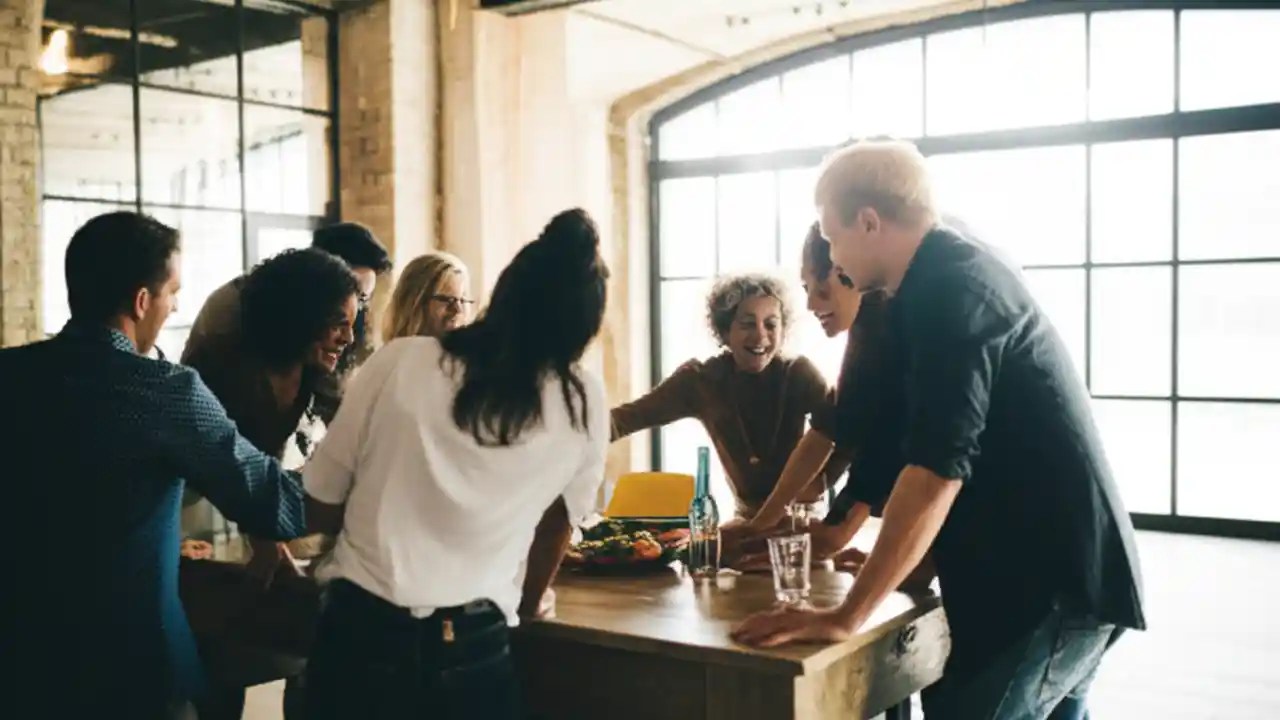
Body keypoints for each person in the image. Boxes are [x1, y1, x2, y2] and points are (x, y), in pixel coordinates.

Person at [732, 139, 1145, 720]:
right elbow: (911, 440)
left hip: (1049, 584)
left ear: (869, 222)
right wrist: (900, 562)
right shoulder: (935, 278)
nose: (832, 256)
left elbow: (936, 468)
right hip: (1064, 572)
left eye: (831, 237)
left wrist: (845, 616)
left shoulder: (952, 288)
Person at [300, 208, 611, 719]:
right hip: (473, 646)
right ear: (584, 323)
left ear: (503, 296)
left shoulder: (399, 361)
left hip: (360, 634)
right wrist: (530, 601)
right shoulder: (583, 399)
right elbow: (561, 520)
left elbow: (319, 504)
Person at [0, 211, 307, 719]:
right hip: (136, 675)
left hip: (21, 669)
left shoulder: (10, 376)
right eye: (173, 292)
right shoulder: (166, 391)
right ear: (143, 301)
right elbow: (277, 505)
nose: (176, 305)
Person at [180, 248, 362, 720]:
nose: (349, 336)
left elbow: (342, 442)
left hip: (243, 518)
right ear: (302, 315)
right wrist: (265, 537)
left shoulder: (314, 369)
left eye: (353, 322)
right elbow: (219, 466)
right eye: (338, 322)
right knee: (216, 667)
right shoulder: (225, 363)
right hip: (192, 520)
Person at [609, 272, 841, 528]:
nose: (760, 336)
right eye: (747, 324)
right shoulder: (699, 380)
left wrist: (818, 484)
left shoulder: (798, 373)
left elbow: (846, 431)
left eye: (771, 324)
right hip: (746, 521)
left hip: (802, 522)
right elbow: (624, 420)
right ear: (724, 330)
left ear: (783, 330)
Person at [730, 223, 896, 568]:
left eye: (819, 289)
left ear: (845, 271)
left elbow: (885, 451)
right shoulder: (869, 326)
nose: (808, 303)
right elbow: (825, 429)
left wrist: (835, 533)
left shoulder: (891, 322)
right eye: (805, 289)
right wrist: (762, 523)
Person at [185, 222, 392, 424]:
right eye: (351, 290)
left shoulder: (322, 324)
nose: (357, 305)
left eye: (363, 298)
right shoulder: (237, 315)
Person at [381, 250, 474, 341]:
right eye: (447, 299)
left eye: (463, 300)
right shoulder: (390, 355)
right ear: (415, 304)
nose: (458, 309)